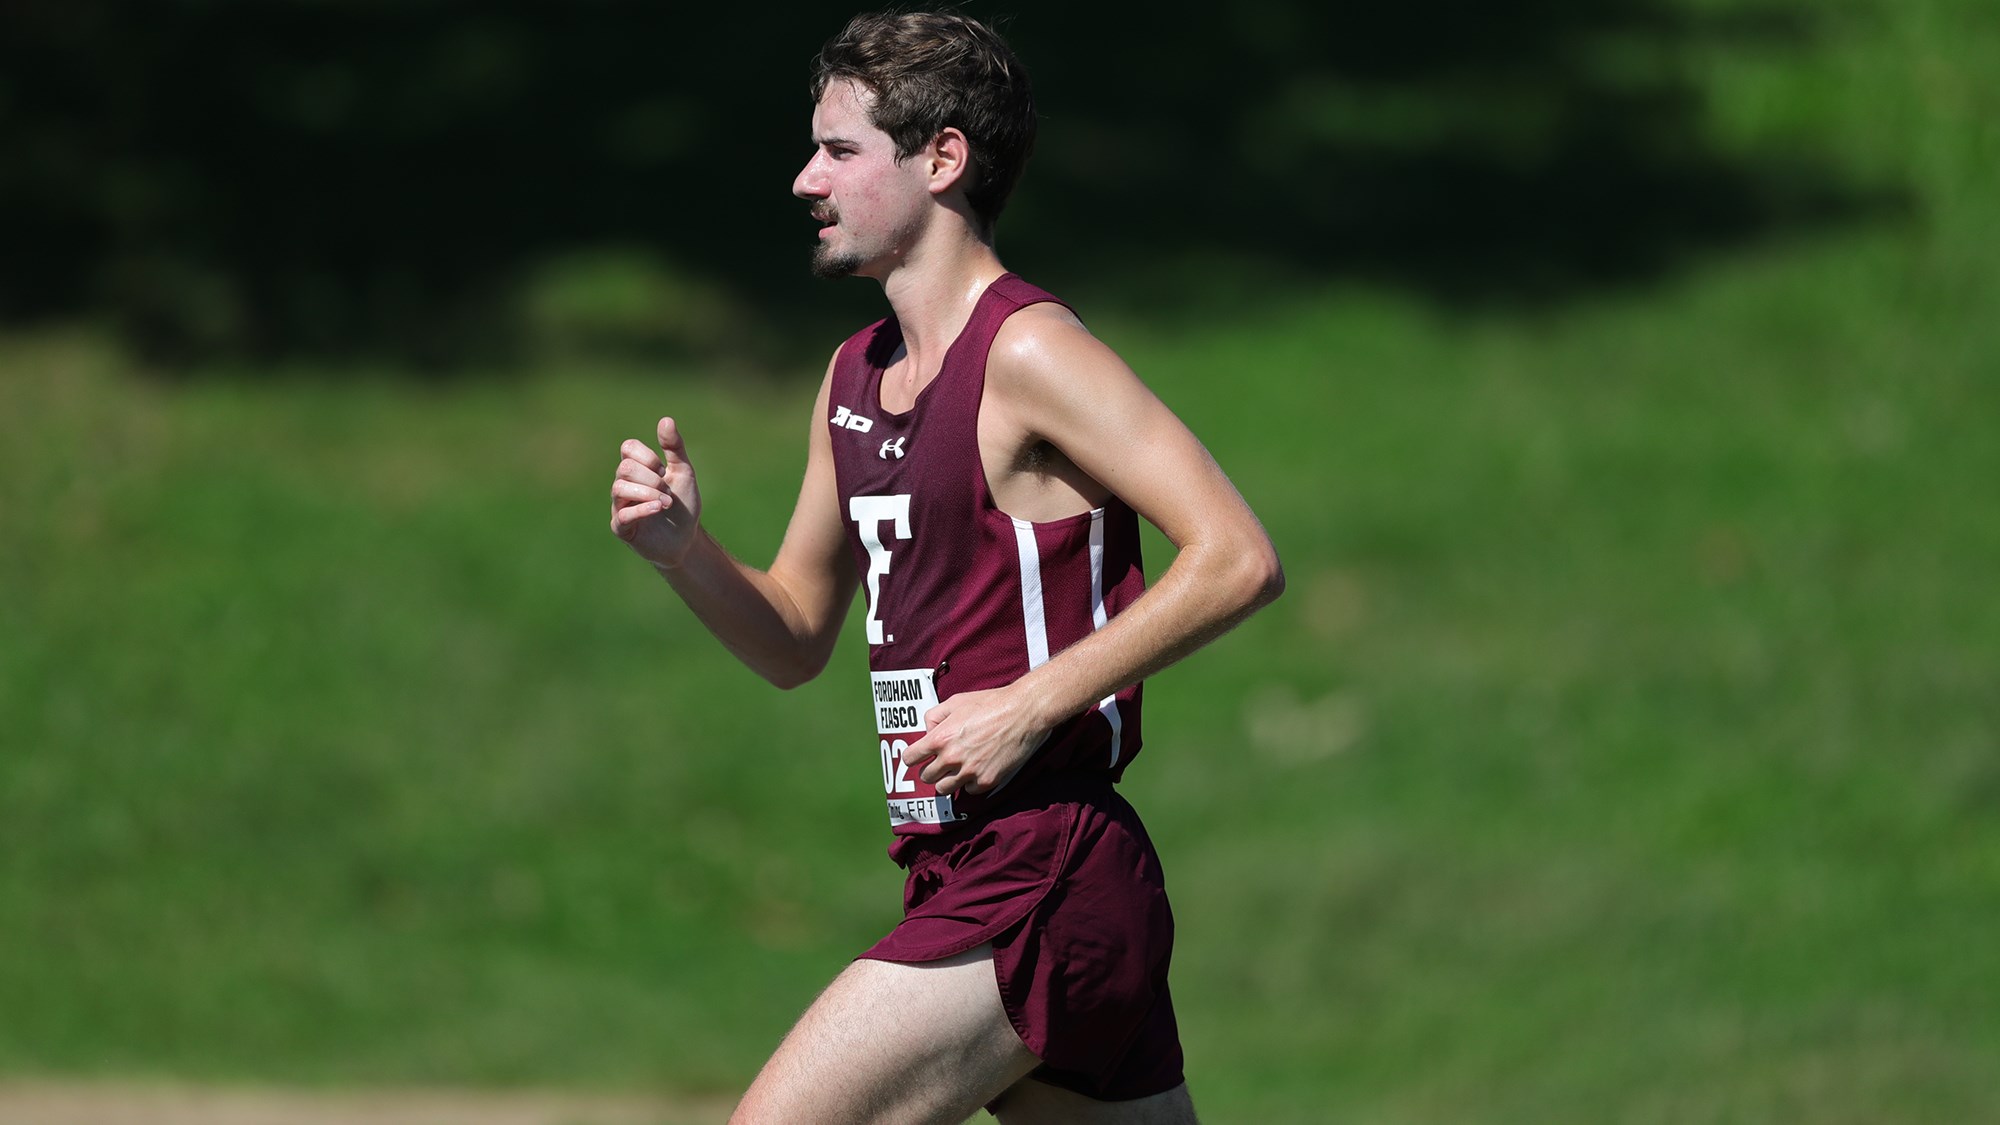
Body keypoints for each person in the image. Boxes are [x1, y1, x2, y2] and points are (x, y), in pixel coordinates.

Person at [610, 12, 1282, 1123]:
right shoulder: (852, 376)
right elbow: (791, 637)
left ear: (942, 160)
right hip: (963, 862)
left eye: (837, 150)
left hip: (1047, 863)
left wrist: (1029, 704)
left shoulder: (1027, 351)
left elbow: (1235, 556)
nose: (801, 179)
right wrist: (685, 554)